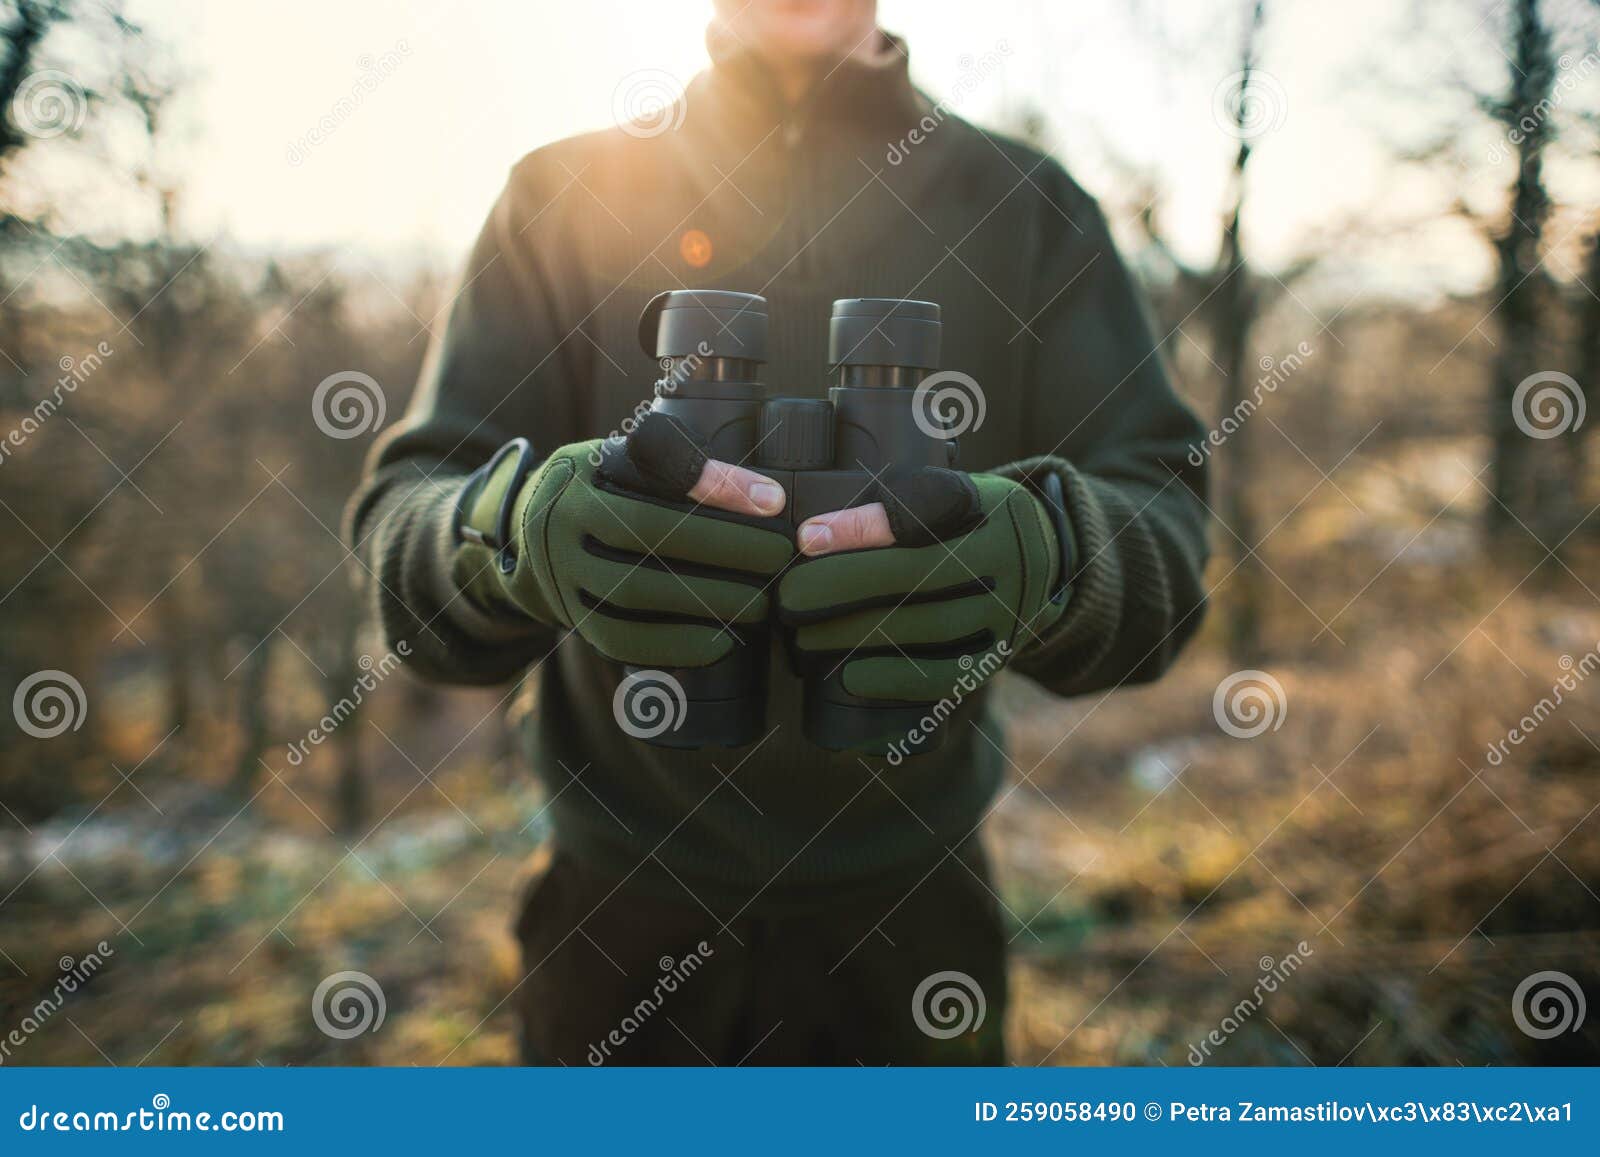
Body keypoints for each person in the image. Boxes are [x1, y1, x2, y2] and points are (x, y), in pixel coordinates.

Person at [346, 0, 1210, 1065]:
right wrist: (511, 533)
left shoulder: (1026, 209)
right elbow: (411, 524)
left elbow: (1165, 525)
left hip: (911, 927)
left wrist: (1055, 552)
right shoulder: (563, 198)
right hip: (616, 917)